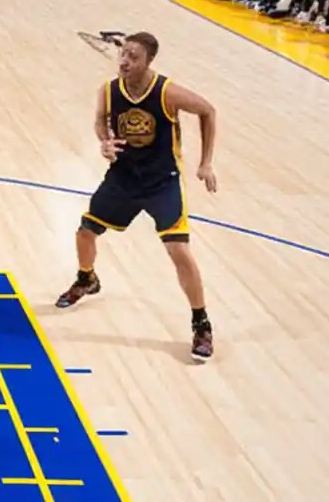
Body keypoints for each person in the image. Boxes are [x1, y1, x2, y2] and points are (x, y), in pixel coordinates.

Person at [56, 32, 219, 362]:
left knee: (179, 250)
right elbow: (100, 120)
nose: (125, 61)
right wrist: (104, 141)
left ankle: (201, 323)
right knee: (85, 231)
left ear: (148, 62)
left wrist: (205, 163)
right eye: (124, 54)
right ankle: (87, 278)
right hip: (124, 178)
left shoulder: (166, 92)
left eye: (133, 57)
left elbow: (208, 110)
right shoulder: (109, 90)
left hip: (162, 182)